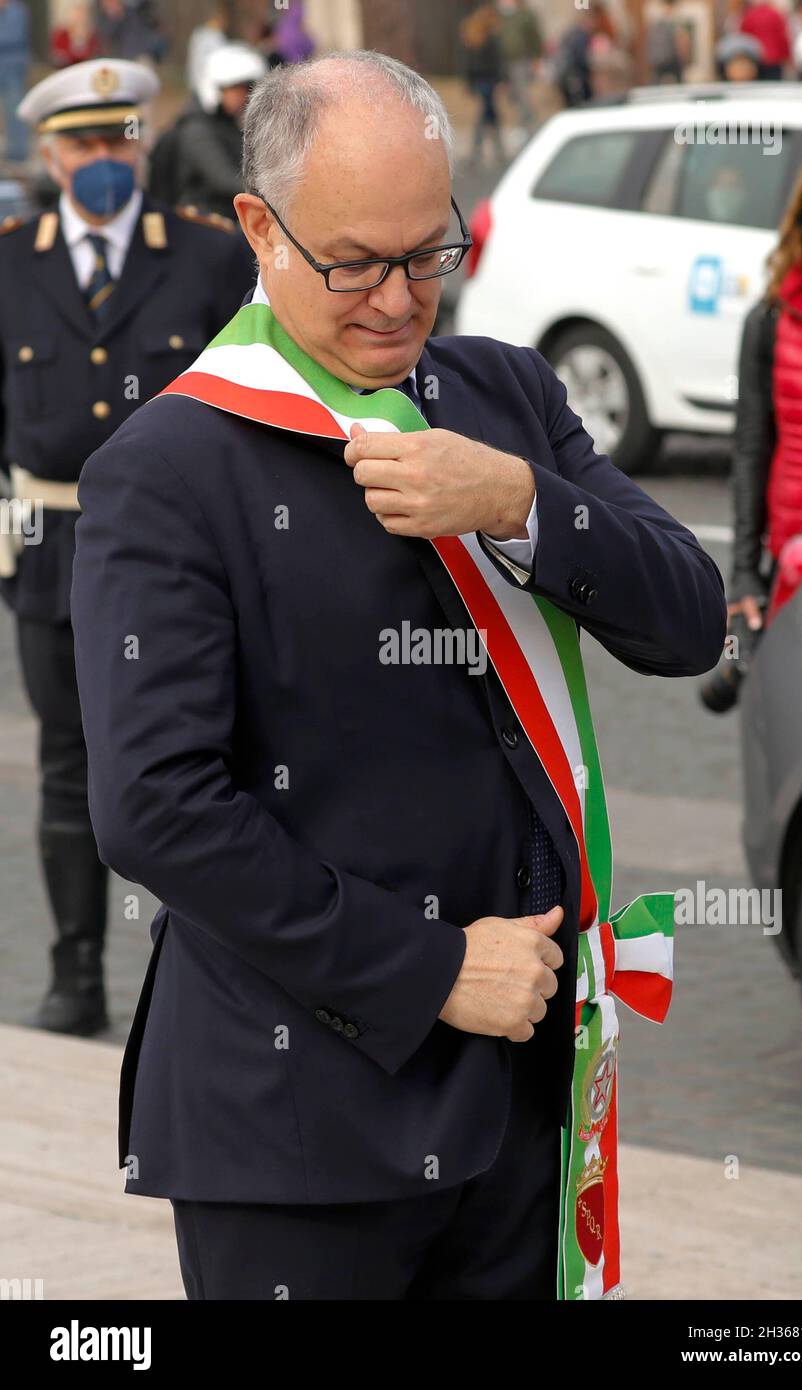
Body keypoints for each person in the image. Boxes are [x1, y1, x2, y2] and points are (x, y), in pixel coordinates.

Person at [69, 51, 726, 1301]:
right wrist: (432, 970)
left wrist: (522, 503)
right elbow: (154, 807)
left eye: (430, 253)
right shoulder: (169, 466)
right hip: (299, 1127)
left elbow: (689, 621)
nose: (397, 298)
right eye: (355, 262)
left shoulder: (503, 393)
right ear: (258, 228)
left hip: (520, 1101)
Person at [0, 59, 254, 1035]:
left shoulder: (208, 256)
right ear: (49, 154)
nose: (103, 157)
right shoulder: (10, 262)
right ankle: (74, 976)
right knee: (67, 766)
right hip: (52, 549)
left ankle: (196, 979)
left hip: (180, 556)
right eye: (83, 142)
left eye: (119, 137)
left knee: (196, 765)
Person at [706, 148, 802, 712]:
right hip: (795, 562)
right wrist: (745, 575)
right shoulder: (769, 321)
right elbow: (750, 451)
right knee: (794, 720)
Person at [168, 43, 266, 223]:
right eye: (235, 89)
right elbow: (224, 179)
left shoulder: (227, 123)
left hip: (230, 217)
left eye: (246, 88)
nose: (243, 96)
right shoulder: (197, 129)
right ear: (215, 89)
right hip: (205, 221)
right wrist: (273, 190)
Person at [460, 4, 506, 168]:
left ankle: (483, 151)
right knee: (488, 115)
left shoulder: (473, 38)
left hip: (479, 81)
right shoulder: (489, 39)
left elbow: (468, 63)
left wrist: (469, 82)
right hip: (487, 81)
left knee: (488, 114)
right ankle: (490, 151)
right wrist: (500, 79)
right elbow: (496, 62)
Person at [497, 0, 543, 136]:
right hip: (501, 62)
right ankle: (517, 125)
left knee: (522, 94)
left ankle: (529, 127)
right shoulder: (498, 15)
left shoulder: (525, 15)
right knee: (511, 96)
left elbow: (534, 37)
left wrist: (536, 58)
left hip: (520, 61)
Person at [0, 0, 29, 163]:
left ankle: (18, 153)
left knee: (14, 112)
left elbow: (12, 37)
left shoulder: (17, 11)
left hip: (12, 69)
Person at [739, 0, 792, 78]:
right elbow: (782, 38)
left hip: (757, 59)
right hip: (774, 59)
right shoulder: (775, 14)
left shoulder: (749, 16)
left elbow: (744, 38)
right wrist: (787, 57)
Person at [186, 1, 228, 95]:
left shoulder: (218, 36)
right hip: (203, 76)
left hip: (213, 77)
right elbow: (196, 59)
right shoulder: (203, 35)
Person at [555, 10, 594, 106]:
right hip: (574, 74)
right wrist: (589, 69)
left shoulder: (571, 33)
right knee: (583, 101)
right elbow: (580, 58)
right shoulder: (580, 36)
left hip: (565, 74)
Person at [51, 3, 103, 69]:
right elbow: (59, 58)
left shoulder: (93, 37)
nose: (78, 20)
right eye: (76, 16)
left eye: (81, 16)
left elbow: (95, 58)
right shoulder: (61, 35)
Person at [647, 0, 687, 84]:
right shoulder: (675, 21)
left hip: (660, 59)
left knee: (657, 79)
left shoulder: (657, 22)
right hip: (672, 58)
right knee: (680, 79)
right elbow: (680, 40)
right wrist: (683, 56)